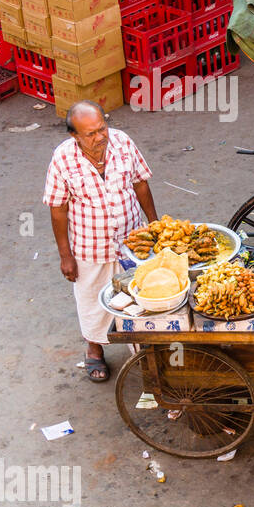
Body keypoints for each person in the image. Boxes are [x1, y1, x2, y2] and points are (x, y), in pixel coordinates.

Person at [43, 102, 158, 383]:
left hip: (132, 239)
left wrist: (155, 226)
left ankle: (142, 348)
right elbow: (57, 208)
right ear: (75, 136)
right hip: (90, 243)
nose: (100, 137)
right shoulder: (62, 159)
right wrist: (65, 255)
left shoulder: (123, 142)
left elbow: (140, 183)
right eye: (91, 133)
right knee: (92, 297)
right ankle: (94, 347)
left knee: (137, 295)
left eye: (102, 128)